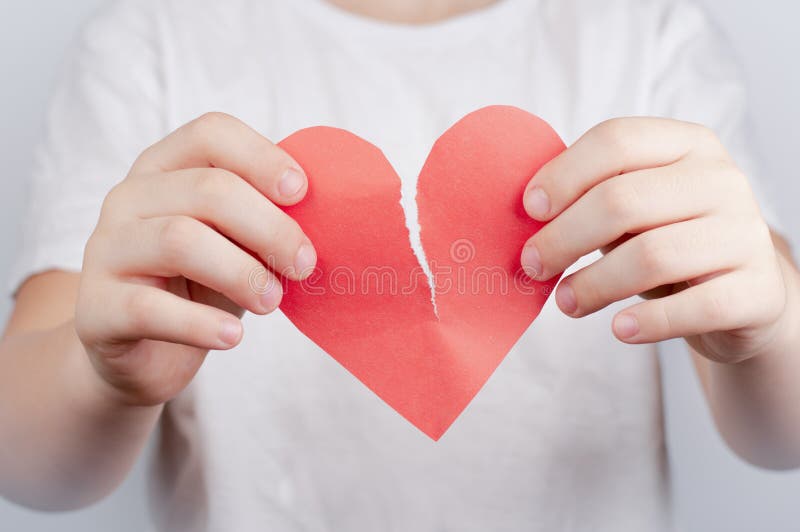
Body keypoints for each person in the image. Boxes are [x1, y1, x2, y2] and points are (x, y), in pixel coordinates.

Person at [1, 0, 799, 530]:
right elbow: (25, 465)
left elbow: (781, 438)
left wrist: (768, 334)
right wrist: (103, 376)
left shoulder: (649, 30)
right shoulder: (153, 35)